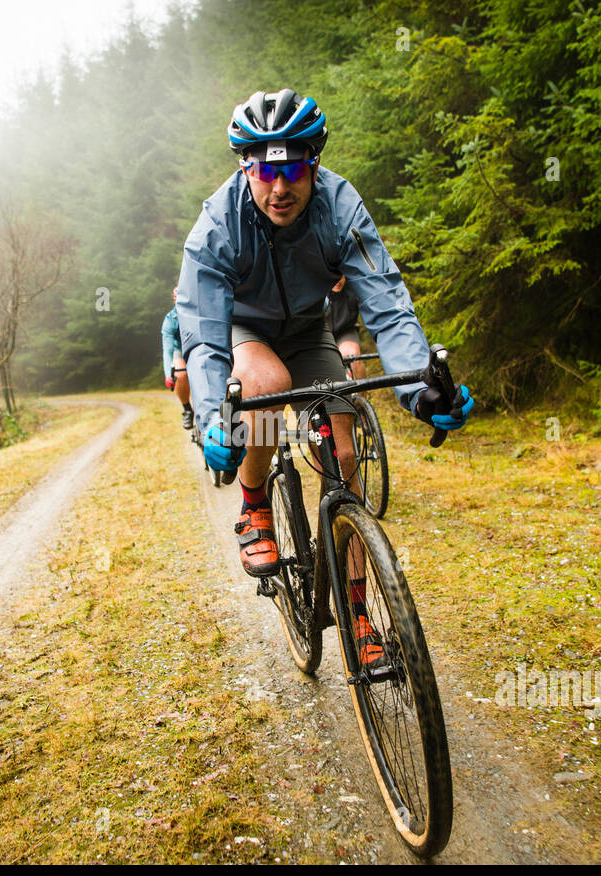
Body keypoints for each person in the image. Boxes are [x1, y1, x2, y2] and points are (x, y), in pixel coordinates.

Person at [175, 89, 473, 664]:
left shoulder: (340, 206)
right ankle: (255, 500)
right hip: (244, 330)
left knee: (343, 451)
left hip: (310, 329)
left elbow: (386, 302)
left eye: (291, 168)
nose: (278, 187)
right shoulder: (217, 224)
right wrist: (216, 415)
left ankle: (359, 615)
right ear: (246, 167)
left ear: (313, 162)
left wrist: (418, 387)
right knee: (260, 388)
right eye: (264, 169)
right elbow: (205, 335)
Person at [160, 287, 193, 429]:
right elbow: (167, 350)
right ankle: (187, 409)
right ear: (174, 299)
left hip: (198, 347)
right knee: (180, 374)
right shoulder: (169, 320)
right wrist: (169, 374)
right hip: (179, 350)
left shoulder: (198, 311)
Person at [326, 274, 365, 380]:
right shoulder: (315, 292)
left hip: (346, 330)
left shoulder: (354, 289)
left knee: (353, 357)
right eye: (334, 275)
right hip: (322, 334)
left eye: (341, 276)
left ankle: (361, 395)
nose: (338, 280)